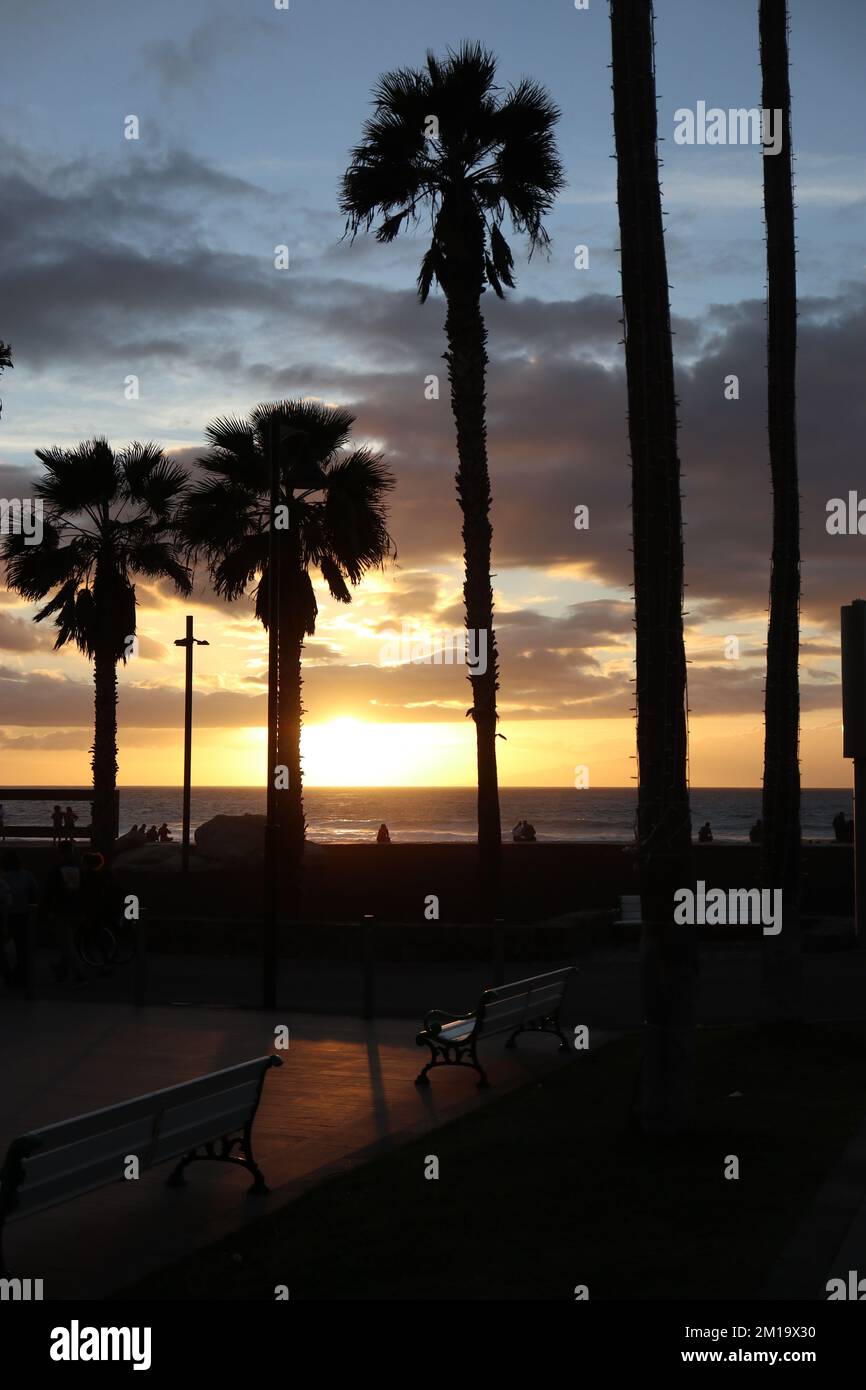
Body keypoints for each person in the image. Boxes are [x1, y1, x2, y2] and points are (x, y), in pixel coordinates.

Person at [46, 843, 85, 983]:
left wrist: (47, 911)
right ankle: (63, 971)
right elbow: (84, 890)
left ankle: (80, 974)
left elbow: (50, 892)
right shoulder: (80, 868)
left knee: (66, 944)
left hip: (61, 910)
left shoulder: (56, 870)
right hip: (77, 909)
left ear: (60, 852)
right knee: (68, 941)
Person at [0, 850, 38, 987]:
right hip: (25, 916)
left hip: (8, 917)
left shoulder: (4, 878)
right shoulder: (27, 875)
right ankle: (24, 975)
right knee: (23, 948)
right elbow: (35, 892)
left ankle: (11, 976)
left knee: (8, 950)